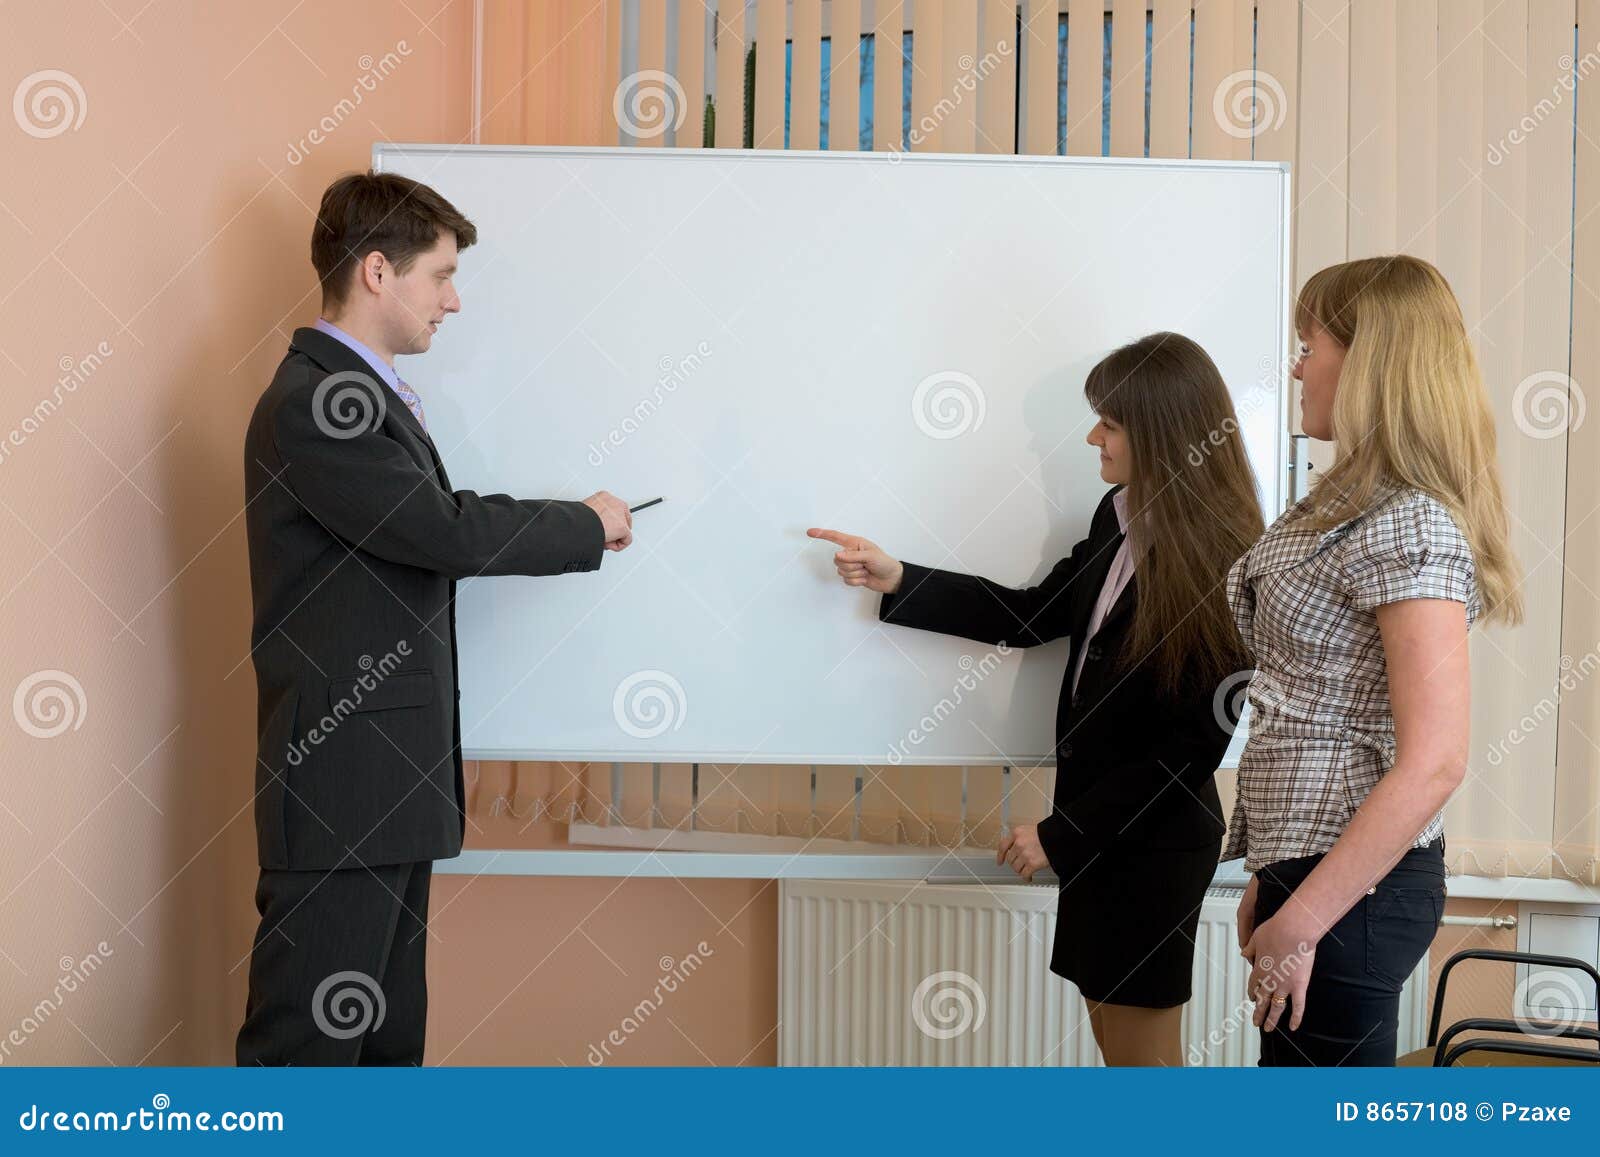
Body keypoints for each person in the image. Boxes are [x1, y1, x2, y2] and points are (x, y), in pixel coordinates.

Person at [236, 171, 633, 1065]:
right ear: (377, 271)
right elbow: (437, 529)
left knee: (384, 1050)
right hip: (344, 784)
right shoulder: (317, 402)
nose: (452, 301)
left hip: (383, 787)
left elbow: (422, 528)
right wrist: (581, 523)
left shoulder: (355, 395)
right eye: (441, 276)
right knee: (305, 1052)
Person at [809, 332, 1264, 1066]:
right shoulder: (1118, 517)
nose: (1092, 438)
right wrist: (900, 577)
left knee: (1144, 1062)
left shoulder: (1225, 558)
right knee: (1115, 1045)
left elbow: (1188, 754)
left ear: (1161, 430)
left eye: (1109, 423)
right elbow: (1031, 615)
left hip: (1150, 847)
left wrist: (1062, 834)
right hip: (1098, 838)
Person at [1229, 254, 1523, 1066]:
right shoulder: (1346, 505)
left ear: (1369, 362)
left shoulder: (1408, 522)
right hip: (1321, 875)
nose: (1296, 368)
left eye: (1309, 346)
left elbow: (1435, 760)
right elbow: (1317, 708)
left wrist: (1305, 914)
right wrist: (1276, 871)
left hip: (1351, 896)